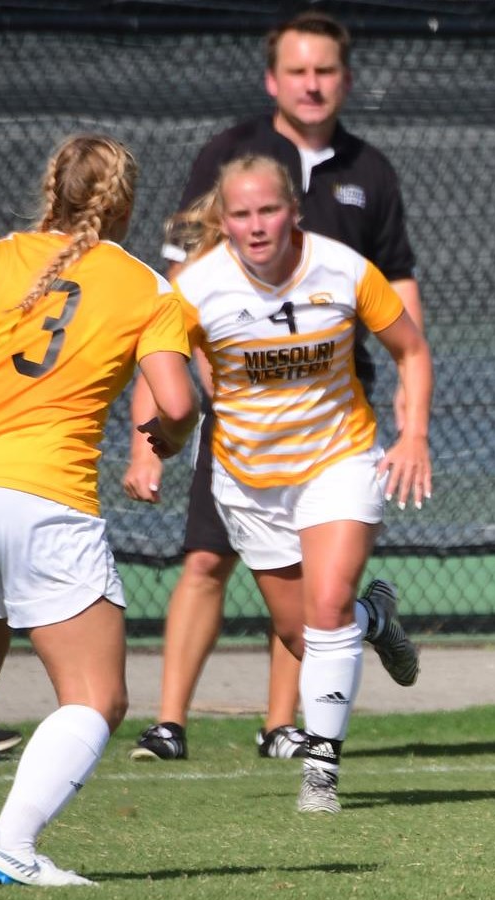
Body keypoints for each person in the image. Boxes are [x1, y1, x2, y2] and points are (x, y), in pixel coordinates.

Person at [125, 9, 426, 761]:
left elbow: (398, 294)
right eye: (298, 70)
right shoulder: (229, 156)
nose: (312, 84)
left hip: (333, 414)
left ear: (345, 80)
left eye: (325, 70)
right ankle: (172, 721)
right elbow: (172, 304)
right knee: (207, 561)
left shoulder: (370, 171)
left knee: (322, 595)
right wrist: (163, 423)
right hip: (235, 415)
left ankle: (287, 727)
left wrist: (411, 400)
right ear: (273, 80)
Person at [151, 153, 431, 812]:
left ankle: (321, 773)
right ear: (223, 219)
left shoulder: (343, 269)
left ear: (293, 211)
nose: (256, 225)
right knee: (304, 631)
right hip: (248, 480)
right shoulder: (195, 285)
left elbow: (410, 349)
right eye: (241, 213)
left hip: (339, 458)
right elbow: (153, 356)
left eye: (268, 209)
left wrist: (413, 433)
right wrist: (156, 434)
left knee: (327, 602)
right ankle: (376, 618)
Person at [0, 134, 199, 885]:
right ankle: (9, 845)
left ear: (52, 189)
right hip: (45, 499)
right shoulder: (147, 288)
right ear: (125, 202)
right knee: (97, 696)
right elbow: (176, 400)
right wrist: (165, 437)